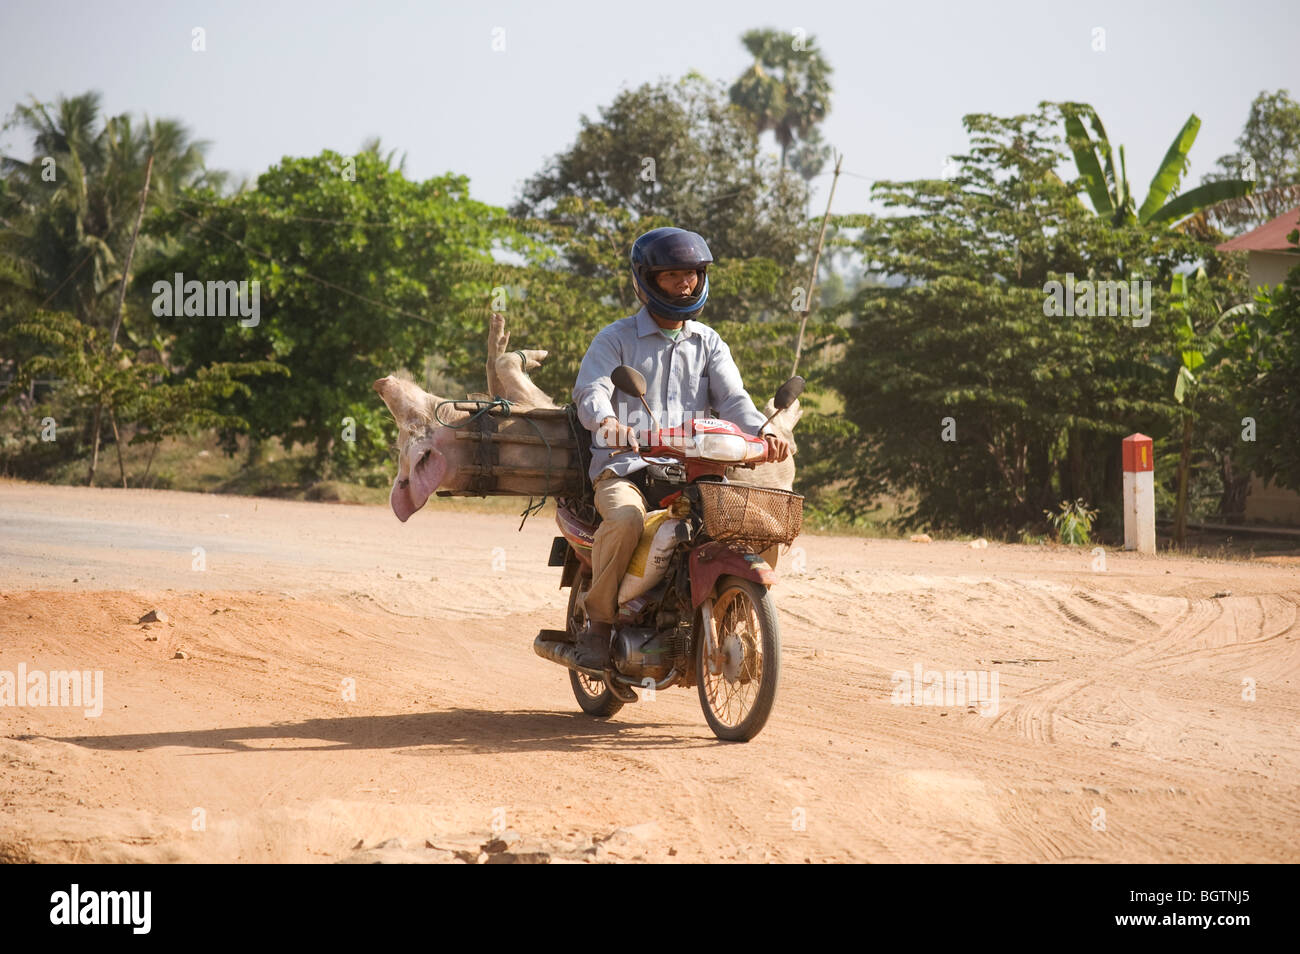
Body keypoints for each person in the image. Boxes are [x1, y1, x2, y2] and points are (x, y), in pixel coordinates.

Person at [570, 227, 791, 670]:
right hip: (626, 466)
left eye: (691, 274)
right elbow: (590, 390)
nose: (684, 284)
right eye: (672, 275)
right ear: (647, 279)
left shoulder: (708, 342)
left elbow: (733, 400)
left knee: (753, 521)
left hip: (695, 469)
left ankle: (735, 612)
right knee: (628, 518)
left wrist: (765, 433)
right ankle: (598, 623)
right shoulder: (615, 339)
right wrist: (608, 422)